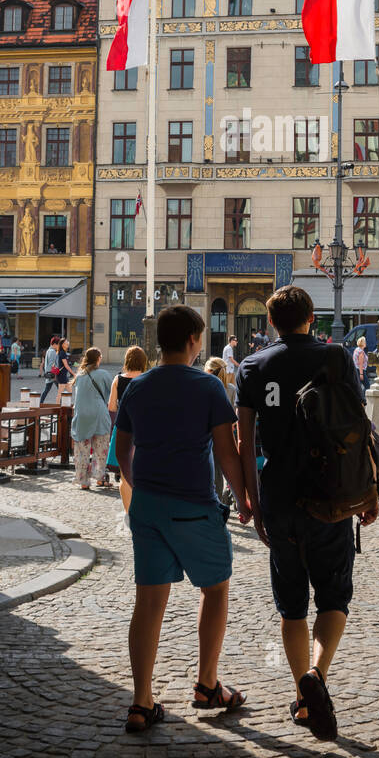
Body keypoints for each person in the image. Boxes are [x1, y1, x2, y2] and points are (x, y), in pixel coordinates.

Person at [236, 285, 377, 741]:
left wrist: (248, 498)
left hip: (278, 496)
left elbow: (245, 440)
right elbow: (359, 426)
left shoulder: (253, 366)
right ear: (311, 317)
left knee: (291, 605)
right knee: (334, 599)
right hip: (331, 497)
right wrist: (371, 491)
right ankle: (314, 678)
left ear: (270, 322)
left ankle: (302, 694)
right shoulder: (336, 357)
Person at [114, 306, 250, 733]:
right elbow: (227, 452)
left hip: (147, 506)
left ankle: (141, 701)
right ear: (193, 339)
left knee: (148, 603)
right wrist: (244, 499)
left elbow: (121, 451)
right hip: (193, 504)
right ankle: (207, 685)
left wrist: (139, 487)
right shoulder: (208, 387)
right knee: (214, 590)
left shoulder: (136, 387)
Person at [106, 346, 148, 517]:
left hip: (123, 428)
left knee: (125, 475)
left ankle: (128, 512)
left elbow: (111, 406)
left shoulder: (118, 379)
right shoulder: (147, 378)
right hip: (144, 429)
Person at [71, 347, 113, 489]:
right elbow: (111, 394)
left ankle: (83, 481)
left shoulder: (80, 375)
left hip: (82, 415)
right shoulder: (104, 374)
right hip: (99, 414)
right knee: (100, 449)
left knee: (82, 450)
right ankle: (100, 477)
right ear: (98, 359)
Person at [205, 355, 237, 501]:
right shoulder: (231, 389)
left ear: (210, 371)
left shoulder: (206, 389)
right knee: (226, 470)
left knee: (213, 471)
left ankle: (215, 499)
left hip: (209, 435)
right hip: (229, 435)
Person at [40, 336, 61, 403]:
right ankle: (61, 403)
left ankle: (40, 402)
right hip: (52, 374)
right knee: (60, 389)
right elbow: (52, 364)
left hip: (49, 374)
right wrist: (55, 375)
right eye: (58, 345)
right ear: (54, 344)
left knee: (47, 390)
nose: (59, 346)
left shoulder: (49, 350)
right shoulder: (52, 352)